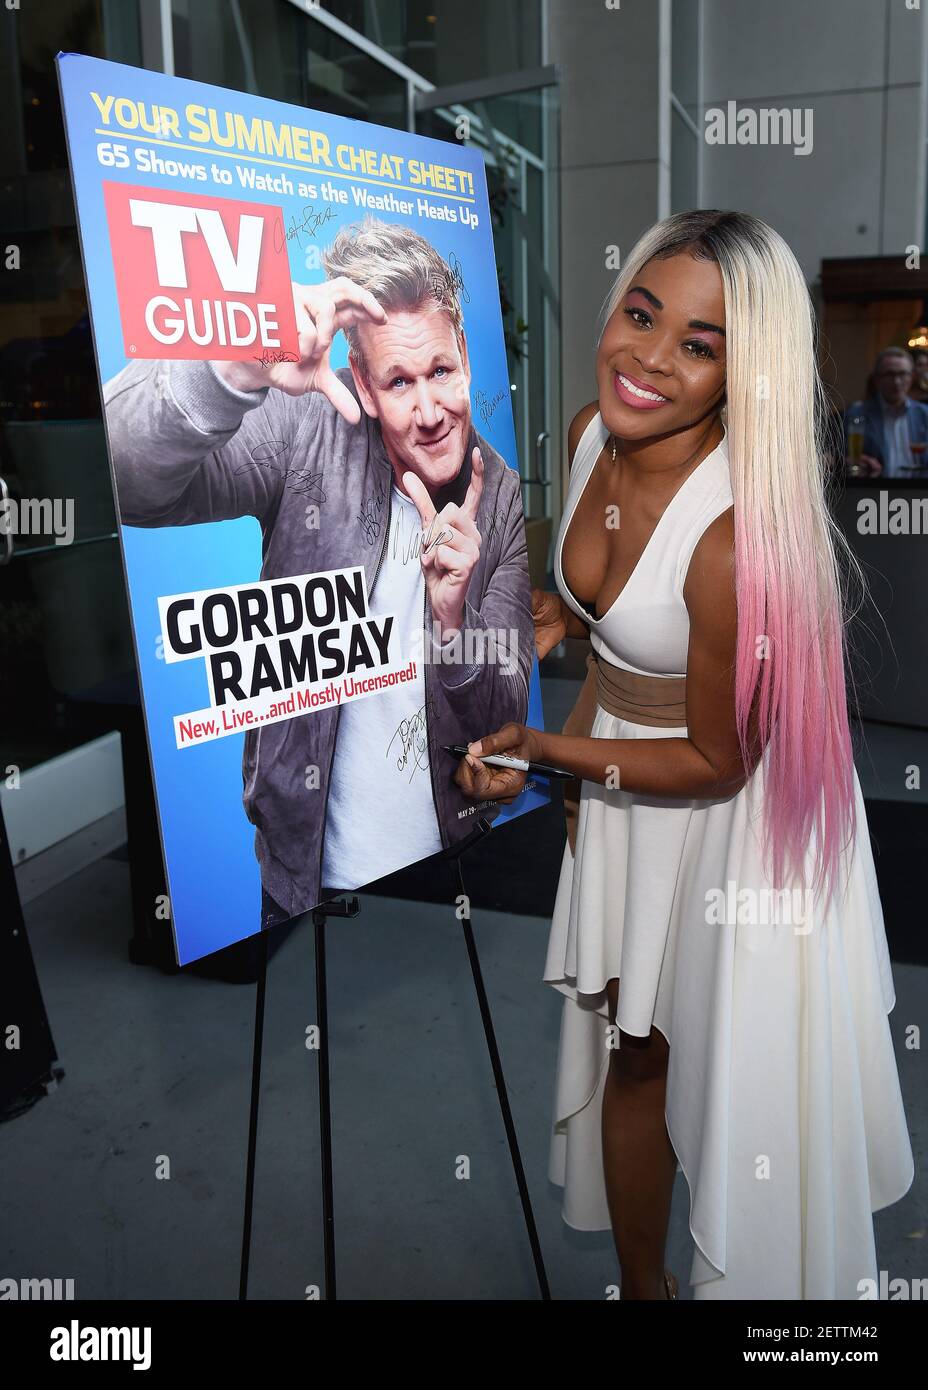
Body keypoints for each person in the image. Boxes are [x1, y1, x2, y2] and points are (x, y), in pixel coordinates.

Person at [454, 210, 914, 1299]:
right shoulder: (583, 435)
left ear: (739, 371)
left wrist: (547, 751)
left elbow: (717, 760)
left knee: (733, 1074)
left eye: (698, 344)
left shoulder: (735, 538)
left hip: (735, 826)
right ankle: (642, 1289)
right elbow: (605, 603)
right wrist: (558, 625)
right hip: (618, 783)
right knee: (634, 1047)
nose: (648, 357)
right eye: (640, 313)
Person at [103, 217, 534, 926]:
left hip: (452, 857)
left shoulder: (504, 494)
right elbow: (130, 484)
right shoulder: (305, 426)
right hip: (302, 864)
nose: (430, 411)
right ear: (360, 381)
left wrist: (456, 619)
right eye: (398, 381)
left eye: (441, 372)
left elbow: (505, 731)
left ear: (464, 355)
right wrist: (231, 372)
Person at [843, 346, 928, 477]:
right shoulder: (857, 414)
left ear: (911, 377)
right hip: (874, 492)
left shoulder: (924, 414)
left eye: (903, 374)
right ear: (877, 379)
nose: (897, 381)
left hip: (918, 493)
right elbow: (839, 456)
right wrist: (847, 461)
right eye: (890, 374)